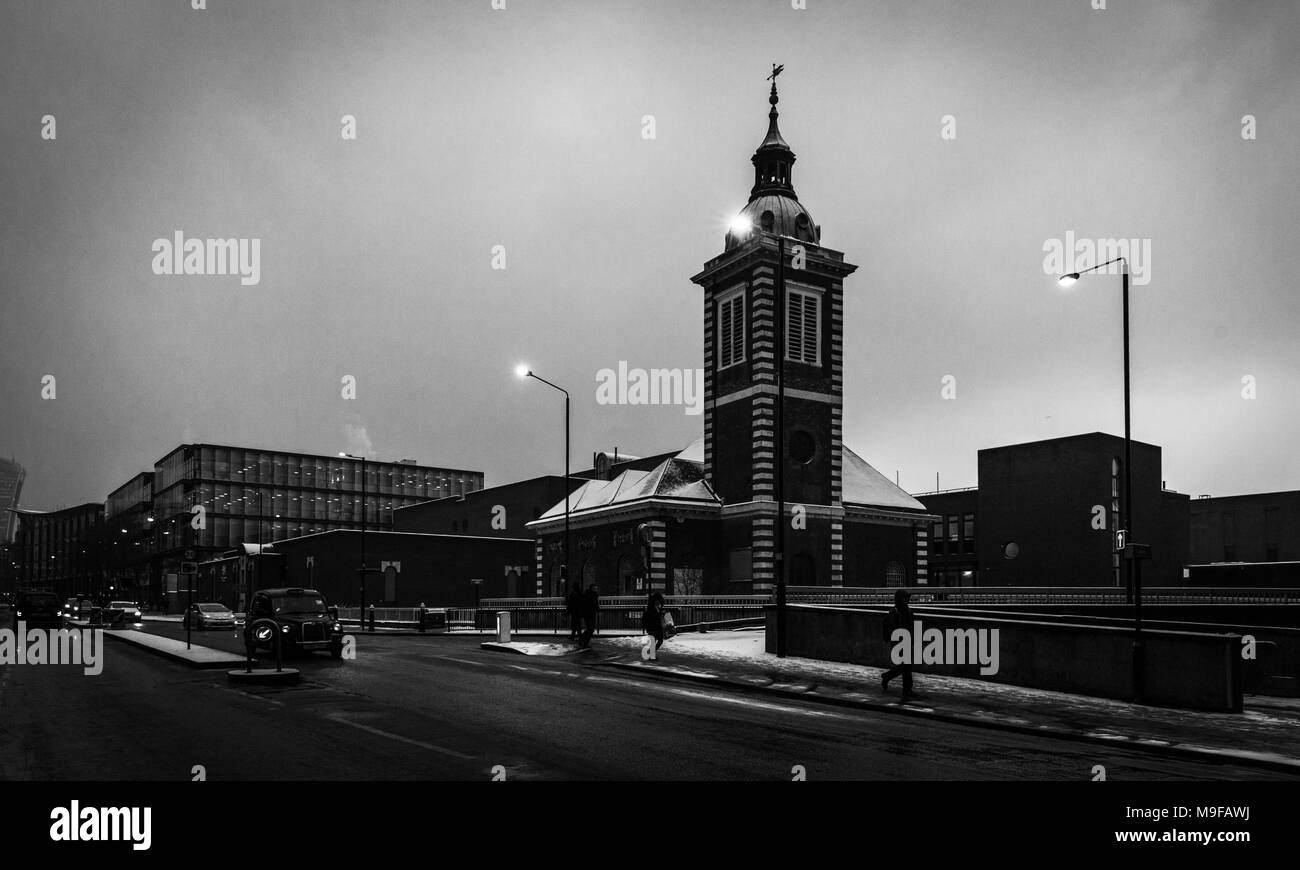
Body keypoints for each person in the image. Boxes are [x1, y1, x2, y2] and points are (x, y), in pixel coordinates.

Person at [880, 588, 915, 701]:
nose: (906, 601)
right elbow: (891, 629)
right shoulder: (895, 612)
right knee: (906, 665)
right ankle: (907, 689)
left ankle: (888, 677)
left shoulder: (908, 611)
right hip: (899, 642)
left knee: (905, 666)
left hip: (907, 641)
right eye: (904, 599)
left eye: (907, 599)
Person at [641, 592, 665, 660]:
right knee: (657, 641)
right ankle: (650, 655)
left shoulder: (653, 607)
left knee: (656, 641)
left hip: (654, 628)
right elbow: (654, 618)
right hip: (654, 628)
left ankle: (650, 654)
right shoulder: (652, 609)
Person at [579, 583, 600, 649]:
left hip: (592, 613)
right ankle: (583, 640)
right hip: (587, 613)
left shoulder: (595, 595)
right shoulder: (587, 595)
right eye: (594, 588)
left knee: (591, 629)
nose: (596, 590)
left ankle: (584, 641)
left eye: (596, 588)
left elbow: (596, 604)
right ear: (591, 588)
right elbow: (584, 604)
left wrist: (598, 610)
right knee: (590, 628)